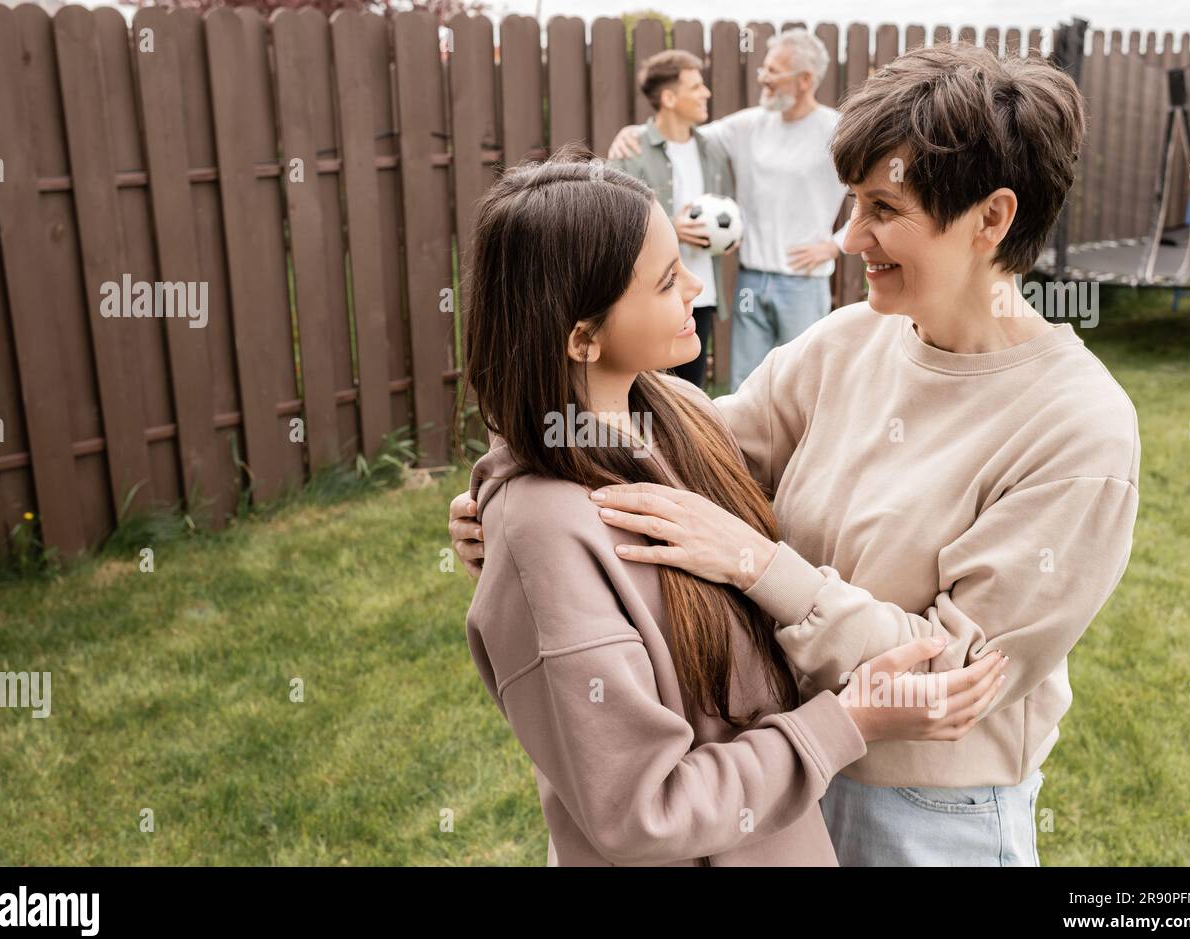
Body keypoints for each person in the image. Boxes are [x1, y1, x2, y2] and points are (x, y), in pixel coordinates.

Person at [450, 44, 1140, 866]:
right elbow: (681, 443)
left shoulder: (1078, 428)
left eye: (883, 209)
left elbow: (944, 674)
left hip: (923, 811)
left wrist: (757, 563)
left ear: (992, 218)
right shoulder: (849, 342)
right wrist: (515, 478)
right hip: (777, 778)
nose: (850, 238)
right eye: (850, 205)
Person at [459, 144, 1006, 867]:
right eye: (664, 280)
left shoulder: (675, 410)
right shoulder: (547, 535)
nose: (696, 283)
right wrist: (845, 722)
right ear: (583, 338)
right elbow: (642, 812)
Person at [608, 28, 848, 391]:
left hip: (803, 283)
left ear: (805, 80)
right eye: (762, 69)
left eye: (772, 72)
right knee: (746, 384)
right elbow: (678, 134)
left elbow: (879, 194)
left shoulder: (837, 130)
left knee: (805, 384)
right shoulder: (749, 125)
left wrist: (837, 244)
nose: (762, 78)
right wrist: (632, 132)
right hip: (751, 280)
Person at [607, 49, 736, 388]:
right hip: (652, 296)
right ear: (668, 97)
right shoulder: (631, 149)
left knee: (690, 393)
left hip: (699, 295)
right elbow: (612, 224)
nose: (706, 93)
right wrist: (669, 231)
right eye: (696, 86)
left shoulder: (712, 149)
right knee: (648, 392)